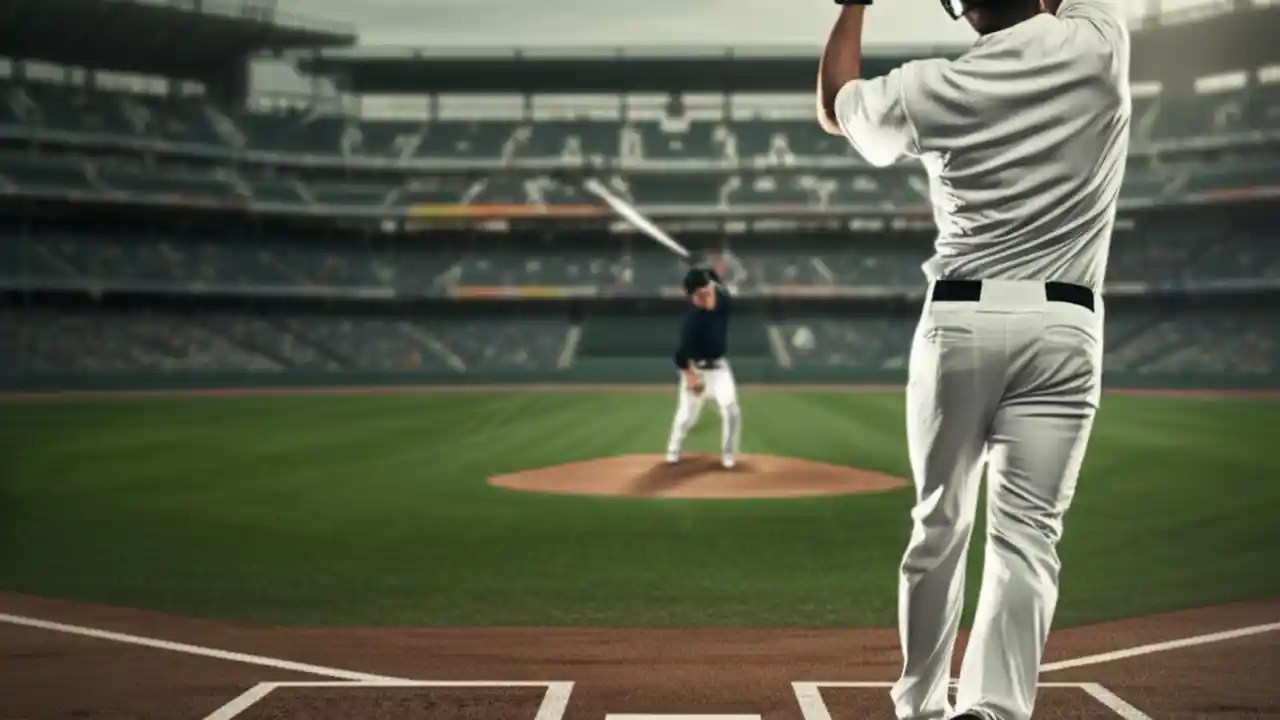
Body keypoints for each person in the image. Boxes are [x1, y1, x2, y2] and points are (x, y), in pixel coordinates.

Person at [816, 0, 1131, 717]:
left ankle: (921, 707)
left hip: (958, 324)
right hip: (1065, 327)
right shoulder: (1099, 44)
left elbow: (836, 106)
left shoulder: (934, 85)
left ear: (963, 10)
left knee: (938, 527)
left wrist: (855, 1)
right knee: (1027, 537)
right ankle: (994, 709)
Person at [665, 266, 741, 470]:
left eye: (700, 293)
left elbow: (718, 287)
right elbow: (680, 356)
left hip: (720, 371)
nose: (697, 298)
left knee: (731, 410)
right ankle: (673, 449)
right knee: (685, 418)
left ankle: (728, 454)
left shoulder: (723, 307)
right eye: (695, 295)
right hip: (696, 370)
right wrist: (691, 377)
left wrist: (707, 275)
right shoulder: (692, 322)